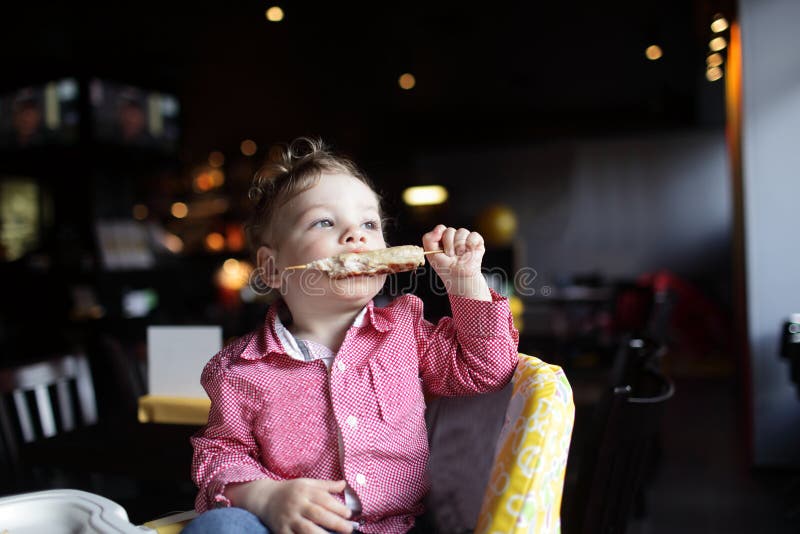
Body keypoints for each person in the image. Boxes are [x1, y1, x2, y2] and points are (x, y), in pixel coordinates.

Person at [185, 138, 519, 534]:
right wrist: (265, 497)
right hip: (291, 527)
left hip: (397, 527)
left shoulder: (405, 332)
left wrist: (465, 281)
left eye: (369, 224)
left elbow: (489, 369)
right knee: (221, 525)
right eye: (324, 222)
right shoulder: (238, 369)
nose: (355, 236)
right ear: (272, 268)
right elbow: (221, 454)